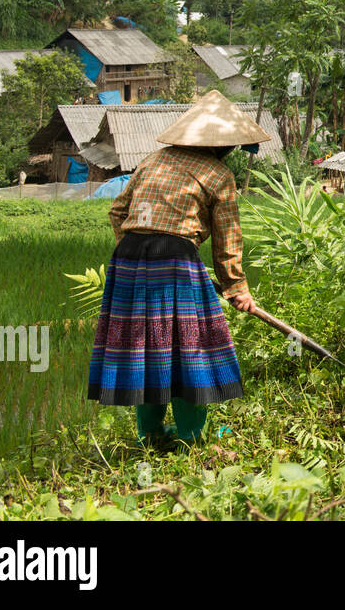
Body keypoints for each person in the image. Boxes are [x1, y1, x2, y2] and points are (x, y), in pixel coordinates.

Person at [86, 90, 270, 449]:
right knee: (191, 345)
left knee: (145, 346)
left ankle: (150, 436)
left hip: (128, 257)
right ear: (225, 147)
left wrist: (141, 247)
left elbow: (117, 213)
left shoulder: (152, 160)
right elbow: (227, 240)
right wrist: (236, 288)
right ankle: (189, 437)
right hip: (174, 259)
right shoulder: (219, 175)